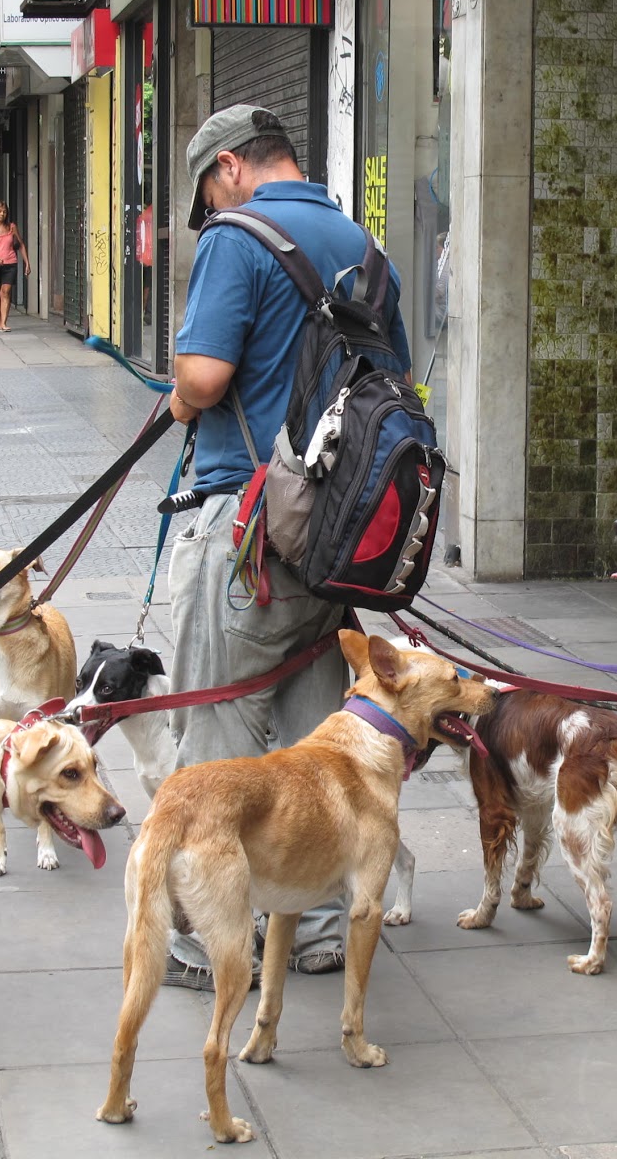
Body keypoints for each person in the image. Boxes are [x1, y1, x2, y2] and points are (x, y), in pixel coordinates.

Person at [161, 104, 412, 990]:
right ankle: (313, 935)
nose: (207, 210)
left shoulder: (237, 236)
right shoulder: (361, 243)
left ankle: (201, 940)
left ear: (229, 167)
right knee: (318, 741)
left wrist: (184, 396)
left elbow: (204, 375)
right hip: (338, 537)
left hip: (253, 526)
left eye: (204, 192)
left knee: (221, 730)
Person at [0, 201, 30, 333]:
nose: (2, 214)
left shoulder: (12, 227)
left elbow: (21, 244)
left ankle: (4, 322)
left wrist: (27, 262)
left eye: (4, 212)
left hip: (10, 263)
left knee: (6, 291)